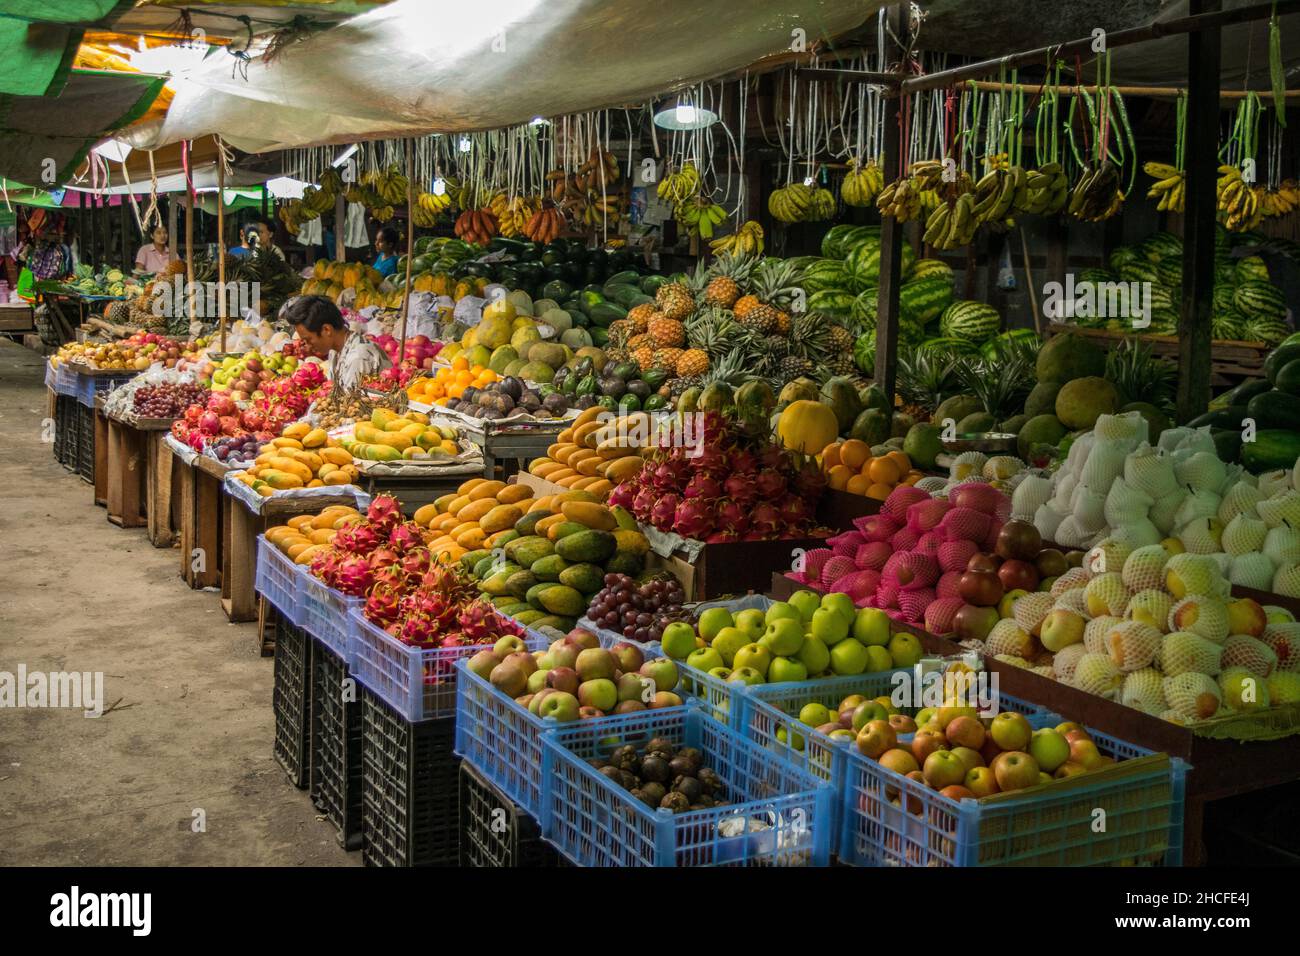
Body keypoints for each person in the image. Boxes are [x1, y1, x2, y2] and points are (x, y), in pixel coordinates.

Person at [286, 294, 390, 391]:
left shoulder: (359, 358)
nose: (307, 346)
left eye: (308, 340)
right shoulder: (335, 352)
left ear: (327, 330)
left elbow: (351, 406)